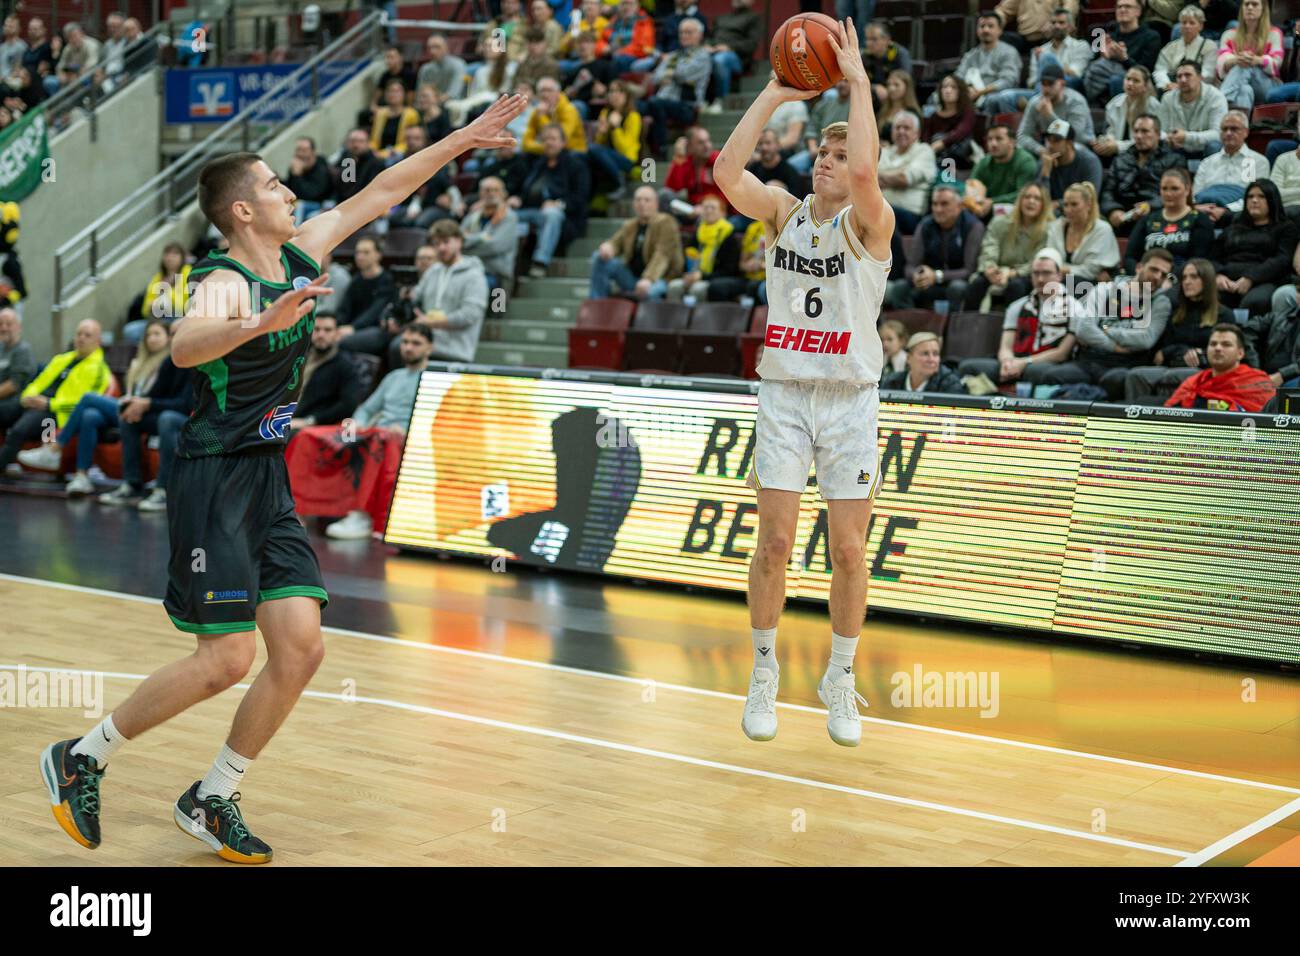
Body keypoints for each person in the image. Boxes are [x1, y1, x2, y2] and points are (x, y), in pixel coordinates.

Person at [37, 92, 527, 863]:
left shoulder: (305, 251)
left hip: (267, 479)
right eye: (272, 186)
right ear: (239, 212)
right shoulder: (227, 280)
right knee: (227, 659)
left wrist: (463, 138)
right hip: (213, 475)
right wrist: (259, 324)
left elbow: (384, 190)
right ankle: (82, 756)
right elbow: (189, 347)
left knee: (300, 648)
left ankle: (214, 794)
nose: (290, 192)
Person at [714, 18, 894, 748]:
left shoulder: (870, 223)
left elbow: (864, 172)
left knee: (850, 552)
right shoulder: (784, 213)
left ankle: (840, 677)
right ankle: (764, 672)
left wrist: (856, 82)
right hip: (786, 395)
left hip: (849, 401)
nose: (830, 160)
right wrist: (772, 92)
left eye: (842, 152)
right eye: (824, 149)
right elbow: (727, 174)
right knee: (776, 542)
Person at [289, 324, 435, 542]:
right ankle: (295, 510)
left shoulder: (434, 377)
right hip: (374, 433)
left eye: (416, 344)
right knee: (307, 437)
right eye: (405, 342)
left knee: (381, 440)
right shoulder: (394, 377)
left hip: (406, 438)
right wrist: (354, 427)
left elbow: (434, 417)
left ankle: (361, 514)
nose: (408, 348)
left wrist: (407, 430)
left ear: (429, 348)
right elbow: (367, 409)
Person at [1037, 249, 1175, 396]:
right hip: (1089, 360)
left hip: (1126, 364)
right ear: (1139, 267)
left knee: (1115, 381)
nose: (1157, 277)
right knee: (1052, 376)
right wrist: (1114, 346)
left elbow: (1146, 340)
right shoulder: (1104, 290)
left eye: (1163, 274)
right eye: (1153, 270)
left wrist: (1106, 330)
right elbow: (1084, 329)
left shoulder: (1161, 303)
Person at [97, 333, 196, 511]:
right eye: (172, 334)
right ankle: (132, 484)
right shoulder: (169, 362)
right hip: (170, 414)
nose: (174, 338)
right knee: (129, 419)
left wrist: (148, 403)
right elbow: (155, 395)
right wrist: (138, 406)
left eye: (177, 334)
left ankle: (164, 490)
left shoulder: (198, 363)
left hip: (196, 419)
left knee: (168, 418)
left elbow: (186, 405)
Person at [958, 248, 1083, 386]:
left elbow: (1062, 353)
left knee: (1036, 371)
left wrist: (1025, 362)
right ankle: (993, 400)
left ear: (1059, 275)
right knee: (968, 367)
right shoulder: (1017, 306)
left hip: (1049, 365)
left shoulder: (1075, 308)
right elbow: (1006, 346)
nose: (1040, 279)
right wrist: (1008, 362)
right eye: (1036, 273)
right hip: (1016, 361)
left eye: (1046, 273)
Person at [1, 319, 110, 475]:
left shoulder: (100, 370)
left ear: (98, 341)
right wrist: (28, 396)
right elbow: (38, 382)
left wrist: (49, 404)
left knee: (19, 430)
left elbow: (84, 404)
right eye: (79, 334)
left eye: (88, 335)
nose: (81, 338)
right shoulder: (61, 359)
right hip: (35, 402)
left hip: (56, 414)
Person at [1123, 257, 1233, 400]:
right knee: (1136, 375)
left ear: (1207, 281)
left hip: (1206, 371)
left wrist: (1202, 354)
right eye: (1184, 277)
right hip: (1172, 366)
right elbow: (1161, 351)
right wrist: (1181, 351)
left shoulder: (1224, 315)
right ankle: (1134, 418)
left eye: (1194, 277)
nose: (1187, 282)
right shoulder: (1175, 313)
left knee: (1174, 376)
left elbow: (1227, 350)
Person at [886, 184, 985, 310]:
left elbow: (970, 270)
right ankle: (911, 326)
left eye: (944, 204)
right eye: (935, 204)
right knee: (900, 287)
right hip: (929, 283)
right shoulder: (926, 224)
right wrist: (917, 275)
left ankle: (954, 328)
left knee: (957, 287)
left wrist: (937, 276)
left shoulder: (973, 227)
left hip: (955, 283)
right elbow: (910, 266)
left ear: (959, 206)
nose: (938, 209)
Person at [1209, 178, 1298, 315]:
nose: (1254, 200)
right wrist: (1218, 275)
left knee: (1256, 301)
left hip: (1265, 280)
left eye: (1261, 196)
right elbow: (1213, 256)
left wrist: (1251, 278)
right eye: (1250, 196)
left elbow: (1282, 259)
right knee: (1206, 296)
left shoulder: (1286, 228)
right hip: (1228, 280)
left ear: (1272, 200)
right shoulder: (1234, 226)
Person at [513, 122, 591, 277]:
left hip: (565, 216)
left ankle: (540, 262)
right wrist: (516, 199)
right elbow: (527, 193)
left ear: (563, 142)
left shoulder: (576, 165)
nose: (549, 142)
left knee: (551, 213)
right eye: (546, 139)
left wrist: (558, 204)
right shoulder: (538, 164)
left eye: (553, 139)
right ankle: (509, 267)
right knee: (507, 215)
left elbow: (581, 198)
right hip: (533, 210)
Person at [964, 181, 1053, 310]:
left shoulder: (1048, 231)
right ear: (1020, 200)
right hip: (997, 270)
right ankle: (967, 325)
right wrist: (990, 268)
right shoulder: (1000, 222)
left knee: (1016, 286)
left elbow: (1039, 261)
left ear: (1044, 205)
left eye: (1037, 198)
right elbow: (989, 247)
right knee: (978, 282)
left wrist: (1013, 273)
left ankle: (1011, 328)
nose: (1031, 201)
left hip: (1026, 274)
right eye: (1027, 197)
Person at [589, 185, 683, 299]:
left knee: (650, 292)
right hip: (632, 278)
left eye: (647, 200)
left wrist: (648, 278)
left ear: (656, 204)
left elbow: (662, 255)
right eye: (638, 200)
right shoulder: (630, 225)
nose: (642, 204)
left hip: (661, 278)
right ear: (633, 204)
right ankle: (597, 304)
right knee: (599, 258)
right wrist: (608, 247)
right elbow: (615, 243)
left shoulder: (666, 222)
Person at [1099, 112, 1186, 232]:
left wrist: (1150, 206)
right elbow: (1107, 192)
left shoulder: (1174, 160)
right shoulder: (1121, 159)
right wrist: (1113, 210)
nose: (1139, 136)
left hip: (1155, 213)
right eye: (1136, 131)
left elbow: (1177, 194)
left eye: (1145, 131)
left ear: (1157, 134)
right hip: (1122, 212)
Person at [640, 18, 711, 155]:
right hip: (663, 101)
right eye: (681, 32)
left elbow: (684, 75)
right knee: (636, 106)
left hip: (686, 105)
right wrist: (670, 75)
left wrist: (669, 74)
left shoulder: (703, 56)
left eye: (688, 32)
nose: (684, 36)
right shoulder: (673, 55)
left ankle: (661, 148)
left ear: (699, 35)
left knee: (655, 103)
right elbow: (656, 78)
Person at [1164, 322, 1276, 409]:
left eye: (1226, 344)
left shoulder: (1257, 382)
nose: (1217, 348)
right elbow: (1168, 414)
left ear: (1240, 353)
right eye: (1213, 344)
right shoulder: (1194, 382)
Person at [1122, 166, 1213, 272]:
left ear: (1187, 189)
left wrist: (1169, 279)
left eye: (1175, 188)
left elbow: (1198, 262)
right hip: (1147, 280)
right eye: (1164, 189)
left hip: (1181, 282)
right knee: (1127, 288)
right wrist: (1140, 275)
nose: (1168, 194)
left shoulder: (1199, 220)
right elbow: (1130, 258)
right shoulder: (1148, 220)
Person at [1083, 0, 1161, 106]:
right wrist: (1104, 56)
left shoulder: (1151, 36)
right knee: (1083, 76)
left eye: (1127, 6)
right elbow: (1093, 63)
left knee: (1118, 80)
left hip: (1133, 78)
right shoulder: (1108, 35)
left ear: (1138, 11)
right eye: (1119, 7)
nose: (1122, 10)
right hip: (1102, 77)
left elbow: (1146, 71)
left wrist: (1124, 59)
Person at [666, 194, 744, 301]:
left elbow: (729, 270)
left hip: (715, 278)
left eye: (712, 208)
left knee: (697, 289)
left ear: (723, 213)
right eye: (705, 207)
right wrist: (689, 275)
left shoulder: (728, 234)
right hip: (695, 275)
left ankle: (701, 317)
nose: (708, 211)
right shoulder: (698, 232)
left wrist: (702, 276)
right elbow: (688, 257)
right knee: (674, 286)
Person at [1191, 110, 1269, 217]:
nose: (1228, 133)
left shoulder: (1256, 161)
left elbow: (1257, 197)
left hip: (1238, 215)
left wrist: (1226, 211)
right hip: (1204, 212)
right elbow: (1195, 195)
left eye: (1234, 129)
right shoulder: (1207, 162)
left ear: (1246, 132)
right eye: (1224, 129)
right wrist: (1202, 209)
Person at [1044, 181, 1121, 282]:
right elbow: (1049, 259)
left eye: (1074, 204)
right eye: (1065, 205)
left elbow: (1091, 270)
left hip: (1090, 285)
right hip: (1058, 280)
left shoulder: (1102, 229)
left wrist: (1064, 270)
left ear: (1088, 204)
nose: (1068, 210)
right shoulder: (1056, 227)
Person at [1016, 61, 1095, 158]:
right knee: (1018, 150)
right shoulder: (1035, 102)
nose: (1046, 88)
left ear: (1062, 84)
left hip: (1079, 149)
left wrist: (1050, 116)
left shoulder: (1076, 101)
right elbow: (1022, 136)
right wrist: (1041, 150)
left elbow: (1075, 137)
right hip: (1049, 148)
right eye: (1043, 84)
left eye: (1050, 84)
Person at [1215, 0, 1283, 111]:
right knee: (1244, 90)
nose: (1250, 7)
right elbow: (1220, 66)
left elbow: (1276, 64)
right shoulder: (1229, 34)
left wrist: (1257, 60)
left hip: (1266, 85)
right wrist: (1237, 60)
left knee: (1245, 65)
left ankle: (1219, 102)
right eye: (1246, 4)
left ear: (1263, 9)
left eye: (1255, 4)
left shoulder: (1274, 33)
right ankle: (1241, 125)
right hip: (1237, 84)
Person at [336, 236, 398, 353]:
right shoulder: (356, 280)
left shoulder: (387, 281)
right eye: (358, 252)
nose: (360, 256)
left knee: (343, 343)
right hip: (352, 328)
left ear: (378, 255)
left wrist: (353, 328)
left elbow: (374, 312)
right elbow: (344, 308)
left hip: (377, 329)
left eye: (366, 252)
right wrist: (336, 327)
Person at [877, 111, 936, 235]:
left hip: (910, 215)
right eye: (897, 127)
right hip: (881, 208)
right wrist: (898, 173)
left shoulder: (924, 151)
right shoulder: (885, 152)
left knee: (879, 214)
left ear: (917, 133)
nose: (901, 131)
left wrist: (880, 176)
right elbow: (870, 179)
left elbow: (904, 179)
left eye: (906, 128)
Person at [1159, 58, 1229, 160]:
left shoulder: (1216, 97)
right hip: (1177, 147)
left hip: (1204, 148)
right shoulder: (1167, 98)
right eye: (1179, 76)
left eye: (1188, 75)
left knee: (1215, 145)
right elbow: (1161, 130)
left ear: (1200, 77)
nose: (1183, 80)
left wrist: (1187, 137)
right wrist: (1168, 138)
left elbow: (1218, 134)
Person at [966, 123, 1039, 218]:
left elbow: (1024, 195)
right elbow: (972, 186)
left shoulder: (1025, 162)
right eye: (990, 139)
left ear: (1012, 142)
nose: (993, 144)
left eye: (999, 139)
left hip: (1016, 213)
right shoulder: (984, 162)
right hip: (985, 210)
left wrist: (992, 202)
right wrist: (976, 202)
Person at [124, 243, 192, 342]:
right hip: (156, 320)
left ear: (182, 257)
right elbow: (145, 309)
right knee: (130, 331)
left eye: (175, 254)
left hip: (179, 319)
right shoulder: (158, 277)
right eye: (167, 254)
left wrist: (165, 294)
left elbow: (184, 304)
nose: (170, 257)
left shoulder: (189, 272)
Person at [460, 176, 520, 287]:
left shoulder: (509, 217)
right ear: (480, 194)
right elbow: (459, 241)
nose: (491, 193)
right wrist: (483, 237)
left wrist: (467, 248)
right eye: (487, 190)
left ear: (503, 194)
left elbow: (494, 247)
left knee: (475, 286)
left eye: (496, 190)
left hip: (496, 274)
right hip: (469, 269)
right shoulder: (472, 216)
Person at [959, 13, 1024, 114]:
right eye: (982, 26)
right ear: (977, 30)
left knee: (992, 100)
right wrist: (967, 90)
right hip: (970, 94)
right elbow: (958, 77)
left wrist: (981, 92)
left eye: (990, 26)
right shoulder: (970, 55)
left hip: (995, 95)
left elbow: (1008, 81)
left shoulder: (1009, 52)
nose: (986, 30)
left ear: (1000, 30)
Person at [588, 80, 641, 198]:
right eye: (611, 91)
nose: (615, 95)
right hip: (608, 157)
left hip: (627, 160)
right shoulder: (605, 113)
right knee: (585, 153)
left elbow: (626, 150)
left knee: (592, 149)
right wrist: (601, 133)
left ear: (626, 96)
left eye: (619, 91)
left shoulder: (633, 116)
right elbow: (598, 147)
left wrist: (616, 128)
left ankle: (619, 182)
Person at [1094, 66, 1161, 158]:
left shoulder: (1153, 105)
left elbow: (1150, 139)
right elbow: (1110, 131)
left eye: (1136, 81)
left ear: (1145, 86)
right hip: (1116, 151)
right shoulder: (1115, 102)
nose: (1130, 83)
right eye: (1128, 79)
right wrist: (1106, 142)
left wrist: (1118, 146)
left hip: (1143, 153)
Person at [707, 0, 762, 110]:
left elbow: (751, 44)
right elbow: (710, 37)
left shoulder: (753, 18)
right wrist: (707, 46)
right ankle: (700, 101)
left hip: (737, 58)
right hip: (714, 51)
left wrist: (729, 47)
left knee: (720, 59)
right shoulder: (721, 18)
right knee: (700, 57)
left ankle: (721, 99)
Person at [1038, 118, 1102, 209]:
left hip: (1081, 213)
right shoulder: (1045, 161)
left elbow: (1090, 197)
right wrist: (1045, 173)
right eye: (1048, 140)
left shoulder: (1089, 161)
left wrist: (1058, 204)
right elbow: (1039, 199)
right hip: (1051, 214)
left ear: (1069, 143)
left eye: (1056, 140)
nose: (1050, 145)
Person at [1153, 5, 1218, 92]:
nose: (1187, 26)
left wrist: (1184, 84)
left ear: (1201, 26)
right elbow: (1159, 70)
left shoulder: (1209, 46)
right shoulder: (1170, 47)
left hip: (1199, 90)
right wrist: (1167, 84)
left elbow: (1208, 73)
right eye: (1184, 22)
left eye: (1192, 23)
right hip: (1170, 89)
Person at [880, 331, 968, 393]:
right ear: (909, 358)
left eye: (935, 354)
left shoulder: (950, 384)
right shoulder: (892, 381)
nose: (931, 359)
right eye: (925, 354)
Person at [923, 74, 977, 171]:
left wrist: (941, 143)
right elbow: (926, 138)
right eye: (945, 87)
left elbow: (961, 132)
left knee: (944, 147)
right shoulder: (934, 116)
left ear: (961, 91)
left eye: (953, 87)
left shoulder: (967, 111)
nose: (948, 90)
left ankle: (947, 181)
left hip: (959, 155)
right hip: (936, 154)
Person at [522, 76, 587, 154]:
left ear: (558, 93)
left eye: (549, 90)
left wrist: (542, 117)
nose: (545, 94)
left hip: (572, 151)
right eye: (542, 91)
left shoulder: (569, 110)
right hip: (548, 151)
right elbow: (526, 142)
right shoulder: (538, 111)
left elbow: (561, 139)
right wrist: (543, 148)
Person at [0, 305, 35, 438]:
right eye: (1, 324)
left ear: (18, 327)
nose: (4, 328)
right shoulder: (1, 348)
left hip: (15, 402)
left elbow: (14, 385)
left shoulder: (23, 350)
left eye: (9, 324)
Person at [285, 137, 334, 225]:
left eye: (304, 150)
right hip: (302, 205)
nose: (300, 154)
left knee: (299, 205)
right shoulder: (296, 166)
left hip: (322, 206)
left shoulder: (321, 168)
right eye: (298, 150)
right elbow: (290, 190)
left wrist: (297, 176)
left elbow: (310, 195)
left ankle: (295, 236)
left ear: (313, 152)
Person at [369, 79, 421, 160]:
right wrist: (372, 150)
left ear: (404, 94)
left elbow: (408, 142)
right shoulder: (380, 113)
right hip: (378, 155)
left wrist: (383, 154)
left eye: (397, 91)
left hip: (400, 154)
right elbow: (374, 140)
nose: (393, 94)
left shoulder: (411, 114)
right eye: (389, 91)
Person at [416, 33, 467, 103]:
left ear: (446, 47)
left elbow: (454, 93)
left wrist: (434, 102)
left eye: (437, 47)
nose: (432, 51)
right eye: (429, 48)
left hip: (452, 104)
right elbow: (420, 94)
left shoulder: (458, 64)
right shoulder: (425, 69)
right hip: (430, 106)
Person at [877, 68, 920, 137]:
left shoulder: (913, 112)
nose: (891, 88)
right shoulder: (882, 110)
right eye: (888, 84)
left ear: (907, 88)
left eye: (896, 85)